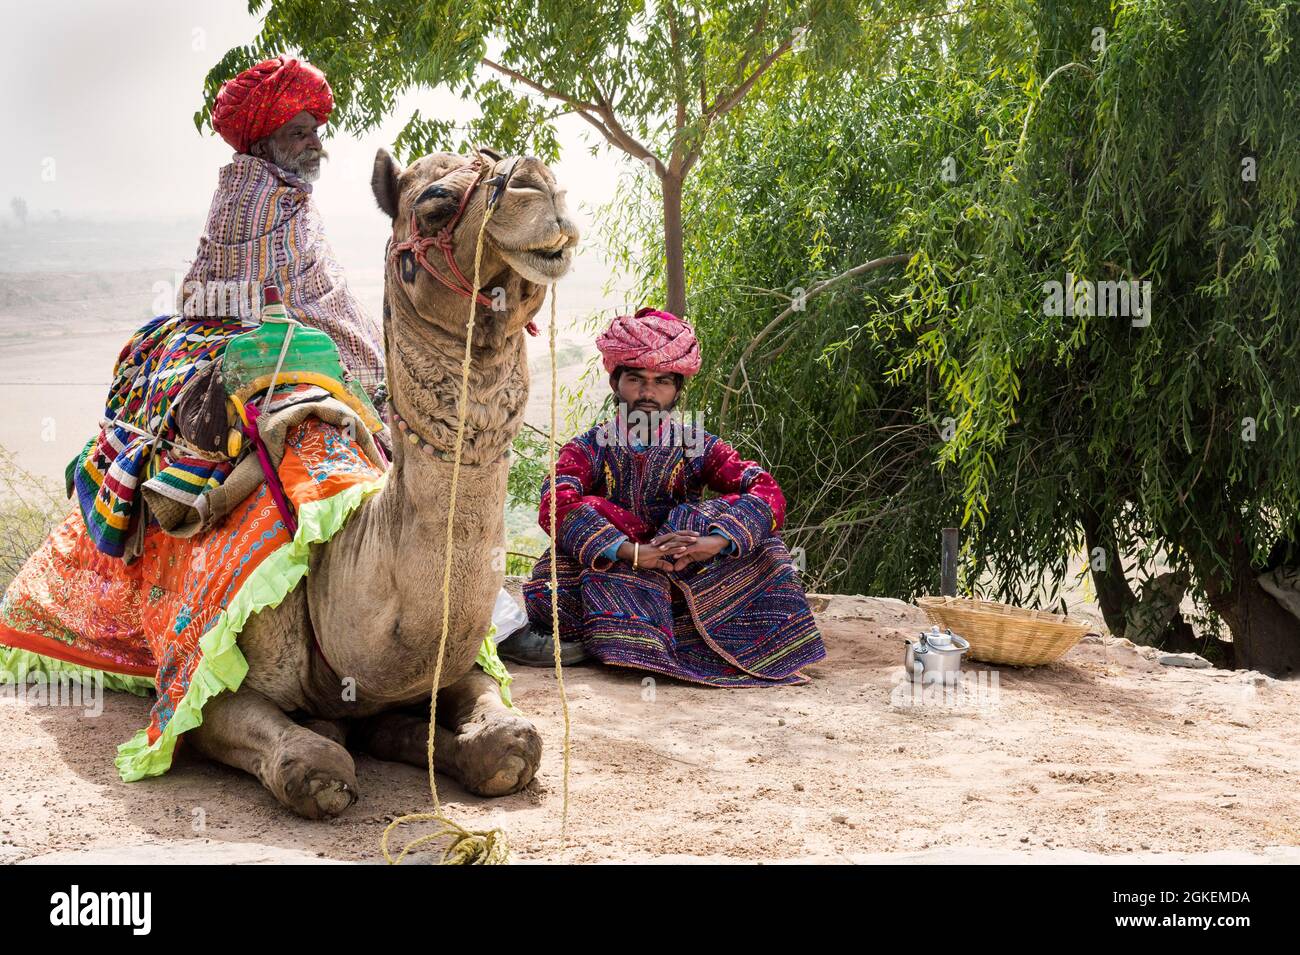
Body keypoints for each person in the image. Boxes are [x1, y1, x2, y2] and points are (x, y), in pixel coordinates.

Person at [502, 307, 826, 686]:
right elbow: (555, 502)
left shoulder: (697, 444)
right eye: (636, 378)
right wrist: (632, 552)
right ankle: (651, 630)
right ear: (615, 383)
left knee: (766, 546)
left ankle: (648, 631)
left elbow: (765, 491)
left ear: (677, 389)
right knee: (551, 591)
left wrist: (711, 542)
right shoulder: (588, 446)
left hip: (686, 566)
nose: (648, 392)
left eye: (662, 381)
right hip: (617, 567)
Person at [183, 55, 388, 425]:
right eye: (298, 133)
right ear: (261, 149)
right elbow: (284, 297)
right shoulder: (254, 197)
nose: (314, 144)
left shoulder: (286, 194)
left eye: (315, 132)